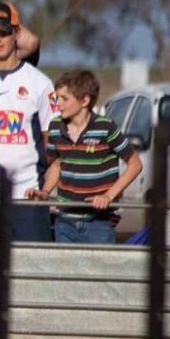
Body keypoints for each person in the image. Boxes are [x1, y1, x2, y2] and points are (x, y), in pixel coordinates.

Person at [0, 1, 55, 242]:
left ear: (16, 33)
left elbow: (54, 147)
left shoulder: (41, 83)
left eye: (4, 33)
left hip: (27, 199)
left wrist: (45, 189)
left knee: (31, 273)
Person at [41, 69, 139, 245]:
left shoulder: (106, 127)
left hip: (99, 223)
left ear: (84, 100)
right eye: (57, 98)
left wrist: (108, 196)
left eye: (64, 99)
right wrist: (45, 192)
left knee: (97, 272)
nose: (59, 104)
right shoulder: (55, 127)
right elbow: (56, 164)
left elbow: (135, 164)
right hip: (65, 221)